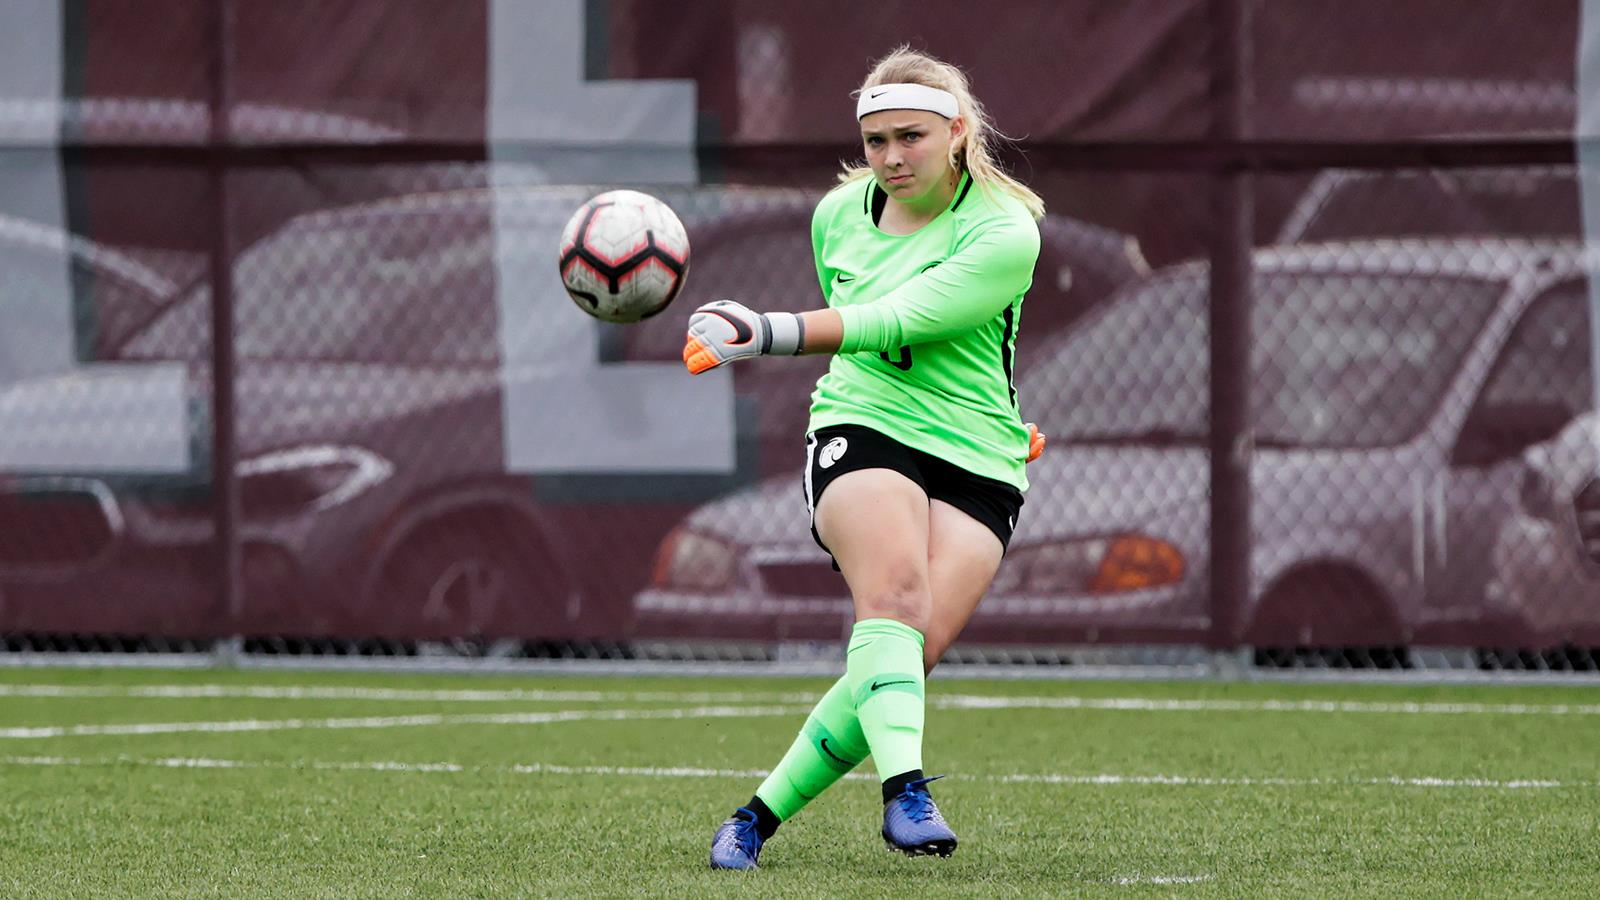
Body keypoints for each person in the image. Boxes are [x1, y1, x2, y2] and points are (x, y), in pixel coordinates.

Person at [682, 46, 1047, 870]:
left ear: (958, 131)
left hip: (979, 454)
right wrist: (784, 337)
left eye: (910, 138)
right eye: (875, 140)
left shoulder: (1003, 227)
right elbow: (863, 346)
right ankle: (906, 792)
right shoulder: (840, 213)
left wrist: (764, 331)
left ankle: (753, 818)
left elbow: (898, 319)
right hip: (863, 423)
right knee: (896, 595)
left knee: (903, 656)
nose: (890, 158)